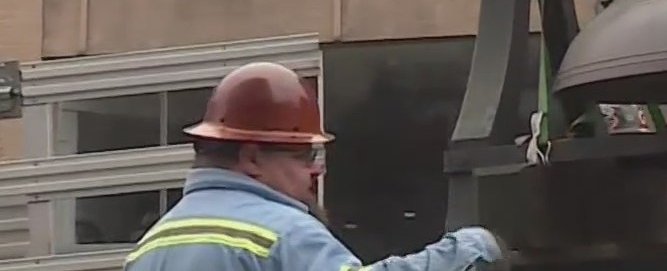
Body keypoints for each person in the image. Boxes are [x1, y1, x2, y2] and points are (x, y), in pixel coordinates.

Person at [123, 62, 506, 271]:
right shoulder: (280, 234)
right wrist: (469, 250)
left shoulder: (149, 248)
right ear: (252, 157)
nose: (316, 171)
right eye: (304, 155)